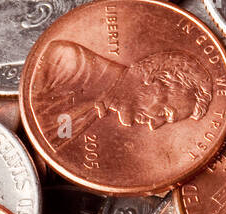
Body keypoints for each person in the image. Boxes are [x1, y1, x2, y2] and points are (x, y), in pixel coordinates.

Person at [28, 41, 214, 141]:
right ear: (155, 81)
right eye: (165, 113)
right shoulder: (67, 62)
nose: (154, 125)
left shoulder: (95, 114)